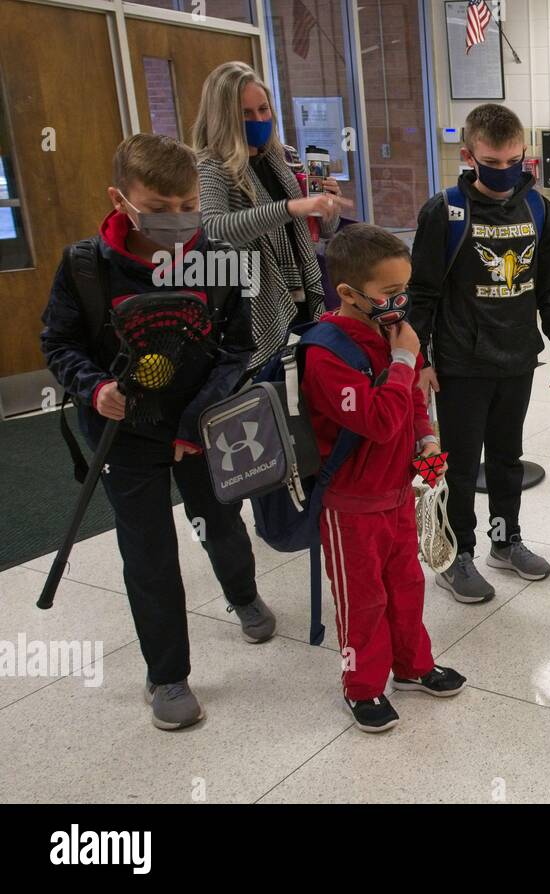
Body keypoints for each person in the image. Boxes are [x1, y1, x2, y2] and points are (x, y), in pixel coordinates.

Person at [40, 133, 274, 730]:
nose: (177, 221)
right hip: (126, 433)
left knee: (219, 520)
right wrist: (95, 388)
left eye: (187, 205)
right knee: (148, 552)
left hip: (201, 422)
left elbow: (238, 348)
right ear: (121, 200)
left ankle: (242, 592)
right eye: (159, 208)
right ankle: (167, 673)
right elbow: (59, 343)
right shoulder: (85, 266)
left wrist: (197, 419)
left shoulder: (220, 257)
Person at [303, 224, 466, 733]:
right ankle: (363, 687)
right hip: (350, 502)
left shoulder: (390, 332)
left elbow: (413, 398)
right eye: (389, 294)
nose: (400, 303)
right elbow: (375, 419)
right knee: (363, 599)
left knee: (406, 584)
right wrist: (402, 358)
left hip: (396, 492)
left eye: (406, 291)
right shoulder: (325, 352)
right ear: (349, 294)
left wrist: (427, 440)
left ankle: (414, 666)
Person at [407, 103, 550, 604]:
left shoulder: (539, 209)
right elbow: (423, 294)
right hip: (460, 363)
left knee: (506, 459)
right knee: (457, 466)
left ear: (525, 154)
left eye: (513, 161)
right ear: (468, 156)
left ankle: (506, 540)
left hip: (517, 358)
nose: (504, 172)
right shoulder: (444, 212)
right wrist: (422, 361)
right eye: (492, 162)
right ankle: (456, 557)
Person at [192, 60, 352, 370]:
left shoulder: (284, 158)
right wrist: (290, 208)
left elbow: (317, 230)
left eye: (264, 110)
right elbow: (214, 228)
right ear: (223, 117)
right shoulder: (212, 167)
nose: (259, 119)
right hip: (258, 299)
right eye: (246, 113)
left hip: (305, 288)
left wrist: (327, 204)